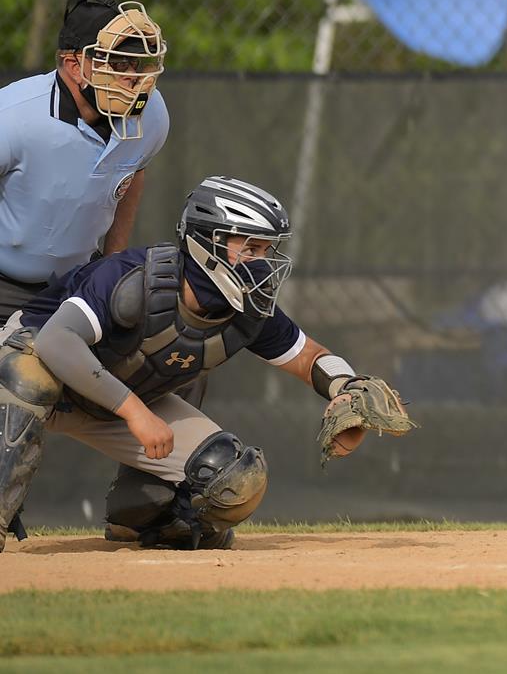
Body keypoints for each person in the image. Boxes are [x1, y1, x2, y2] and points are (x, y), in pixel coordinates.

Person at [0, 175, 412, 551]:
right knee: (27, 376)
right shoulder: (133, 278)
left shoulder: (246, 308)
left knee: (234, 479)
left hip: (110, 402)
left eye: (266, 250)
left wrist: (346, 388)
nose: (261, 261)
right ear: (205, 243)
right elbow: (57, 340)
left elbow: (308, 357)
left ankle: (145, 521)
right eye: (249, 247)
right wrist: (135, 412)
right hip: (39, 370)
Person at [0, 0, 169, 317]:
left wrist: (112, 263)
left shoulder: (152, 114)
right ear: (74, 65)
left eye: (138, 63)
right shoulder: (14, 116)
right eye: (118, 62)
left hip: (78, 282)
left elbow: (133, 172)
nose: (133, 77)